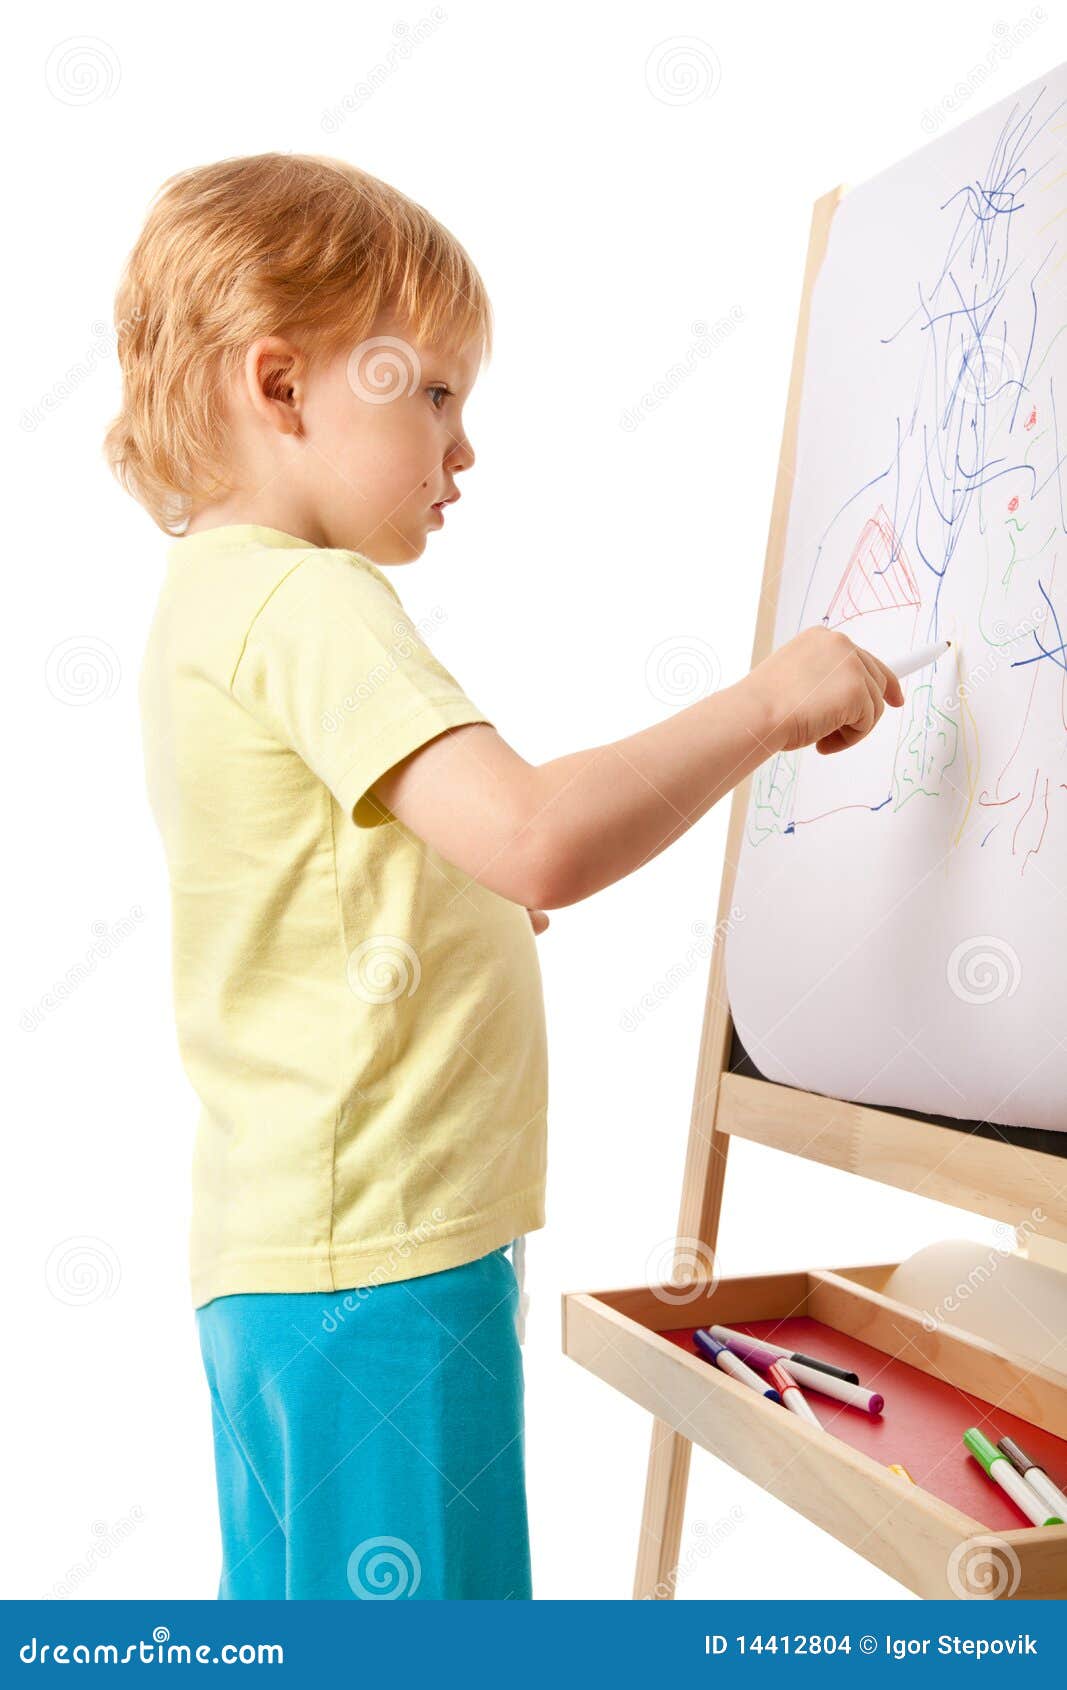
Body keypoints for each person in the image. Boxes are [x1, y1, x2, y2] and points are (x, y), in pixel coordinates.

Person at [105, 152, 904, 1601]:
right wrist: (769, 704)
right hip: (385, 1262)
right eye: (431, 392)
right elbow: (535, 830)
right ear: (279, 387)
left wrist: (458, 890)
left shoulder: (208, 603)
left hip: (284, 1259)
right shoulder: (316, 598)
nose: (462, 447)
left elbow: (337, 860)